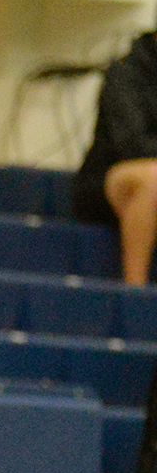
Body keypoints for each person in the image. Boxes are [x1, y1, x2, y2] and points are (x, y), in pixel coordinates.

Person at [74, 29, 157, 286]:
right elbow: (134, 146)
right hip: (109, 177)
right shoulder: (126, 72)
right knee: (153, 178)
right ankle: (135, 291)